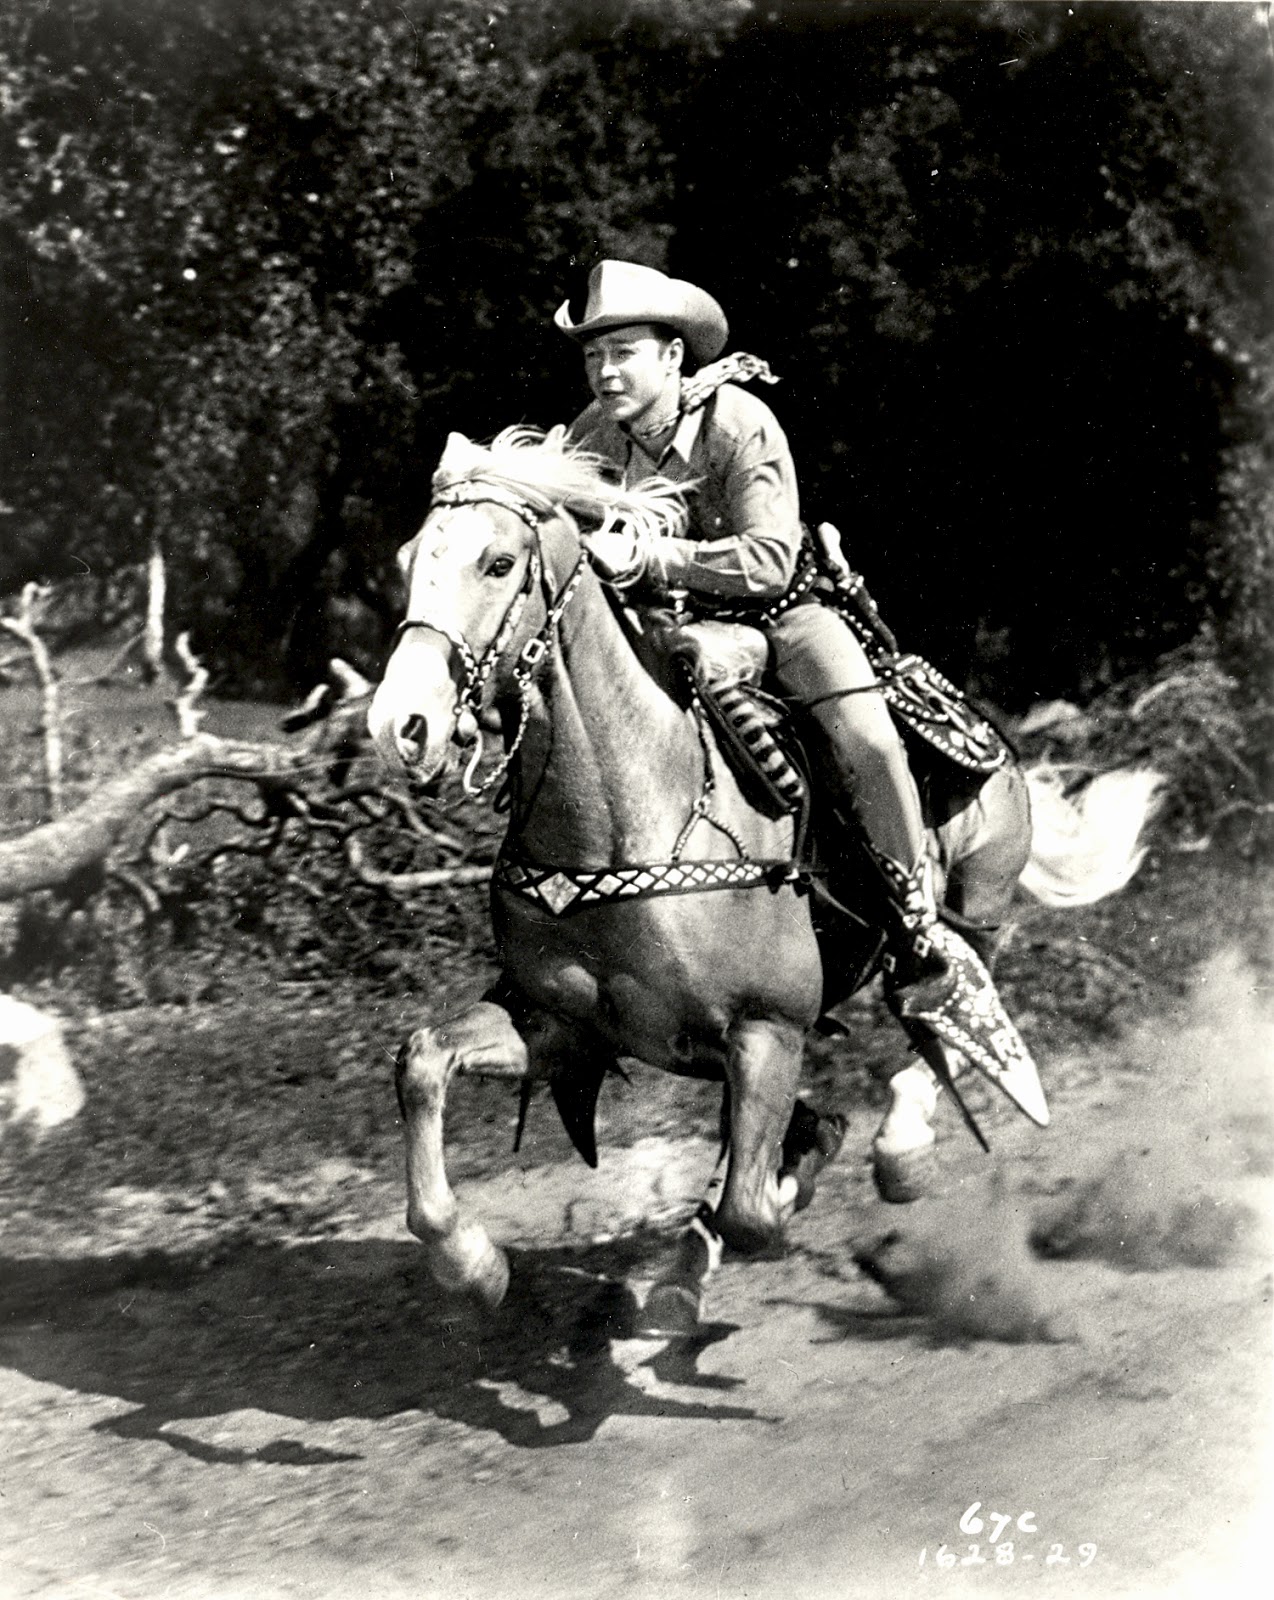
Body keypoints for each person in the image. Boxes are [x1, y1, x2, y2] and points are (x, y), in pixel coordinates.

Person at [554, 258, 1033, 1087]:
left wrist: (655, 552)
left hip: (787, 618)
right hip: (679, 626)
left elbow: (771, 561)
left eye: (623, 351)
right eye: (594, 355)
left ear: (673, 358)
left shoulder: (740, 421)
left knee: (868, 740)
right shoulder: (589, 438)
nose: (605, 371)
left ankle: (918, 924)